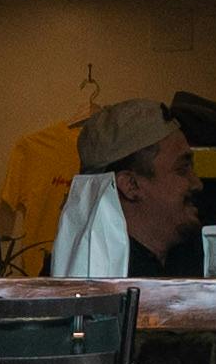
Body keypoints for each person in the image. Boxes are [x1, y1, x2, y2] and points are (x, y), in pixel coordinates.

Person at [42, 97, 204, 279]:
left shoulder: (193, 257)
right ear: (130, 185)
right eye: (182, 169)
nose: (197, 183)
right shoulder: (85, 276)